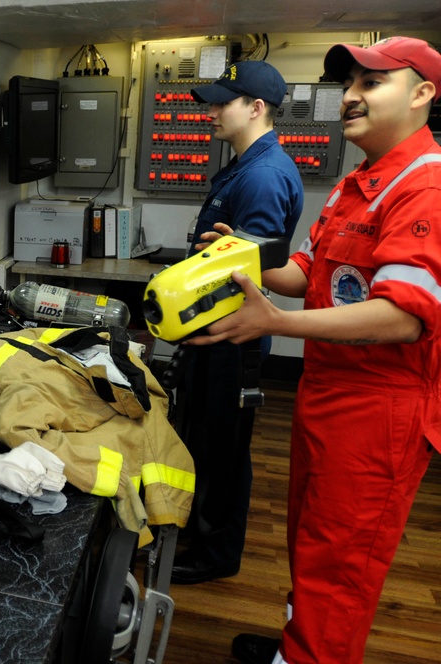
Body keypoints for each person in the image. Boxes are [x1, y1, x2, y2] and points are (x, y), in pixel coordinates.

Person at [184, 37, 441, 664]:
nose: (351, 96)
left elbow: (403, 317)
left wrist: (273, 322)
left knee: (341, 567)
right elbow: (308, 267)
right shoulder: (360, 181)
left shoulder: (425, 185)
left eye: (372, 83)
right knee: (312, 544)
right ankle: (295, 650)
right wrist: (244, 262)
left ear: (422, 93)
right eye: (348, 84)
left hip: (378, 409)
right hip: (327, 393)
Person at [169, 60, 304, 585]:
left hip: (232, 337)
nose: (212, 112)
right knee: (205, 441)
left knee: (222, 448)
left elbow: (254, 274)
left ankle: (214, 552)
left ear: (256, 108)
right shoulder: (245, 165)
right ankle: (196, 532)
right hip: (214, 331)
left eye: (223, 102)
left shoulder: (264, 175)